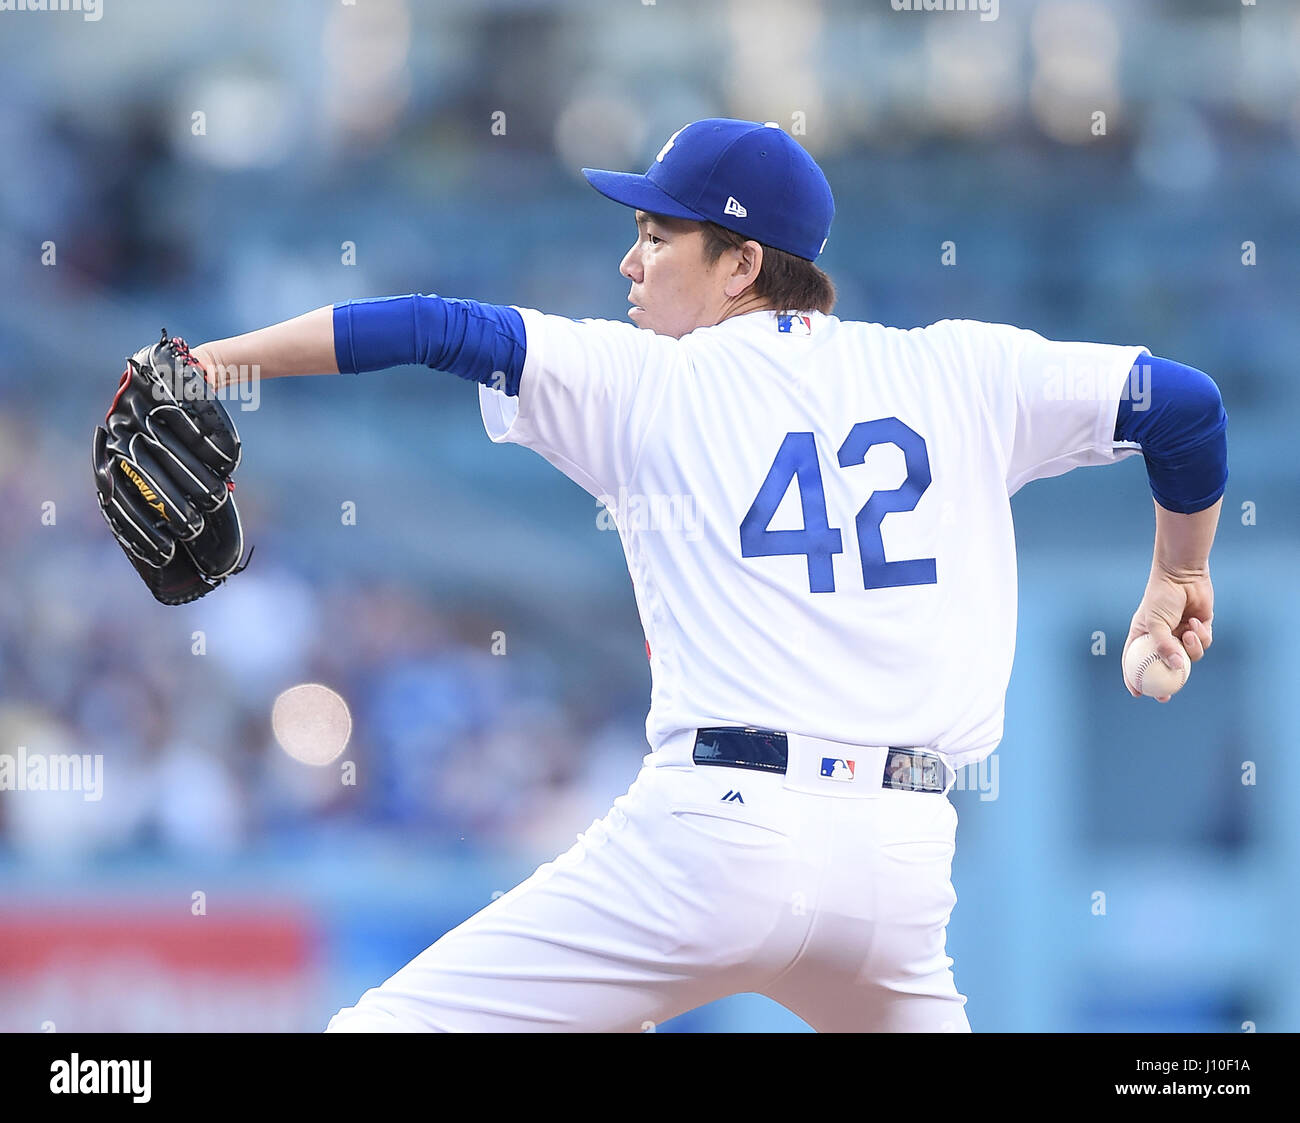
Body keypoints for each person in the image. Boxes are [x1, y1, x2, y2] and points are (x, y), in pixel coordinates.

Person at [186, 119, 1226, 1031]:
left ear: (740, 266)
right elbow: (1184, 406)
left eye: (655, 236)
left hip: (716, 836)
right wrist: (1177, 572)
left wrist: (208, 367)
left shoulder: (648, 379)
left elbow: (428, 326)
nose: (630, 264)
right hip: (902, 861)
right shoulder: (960, 368)